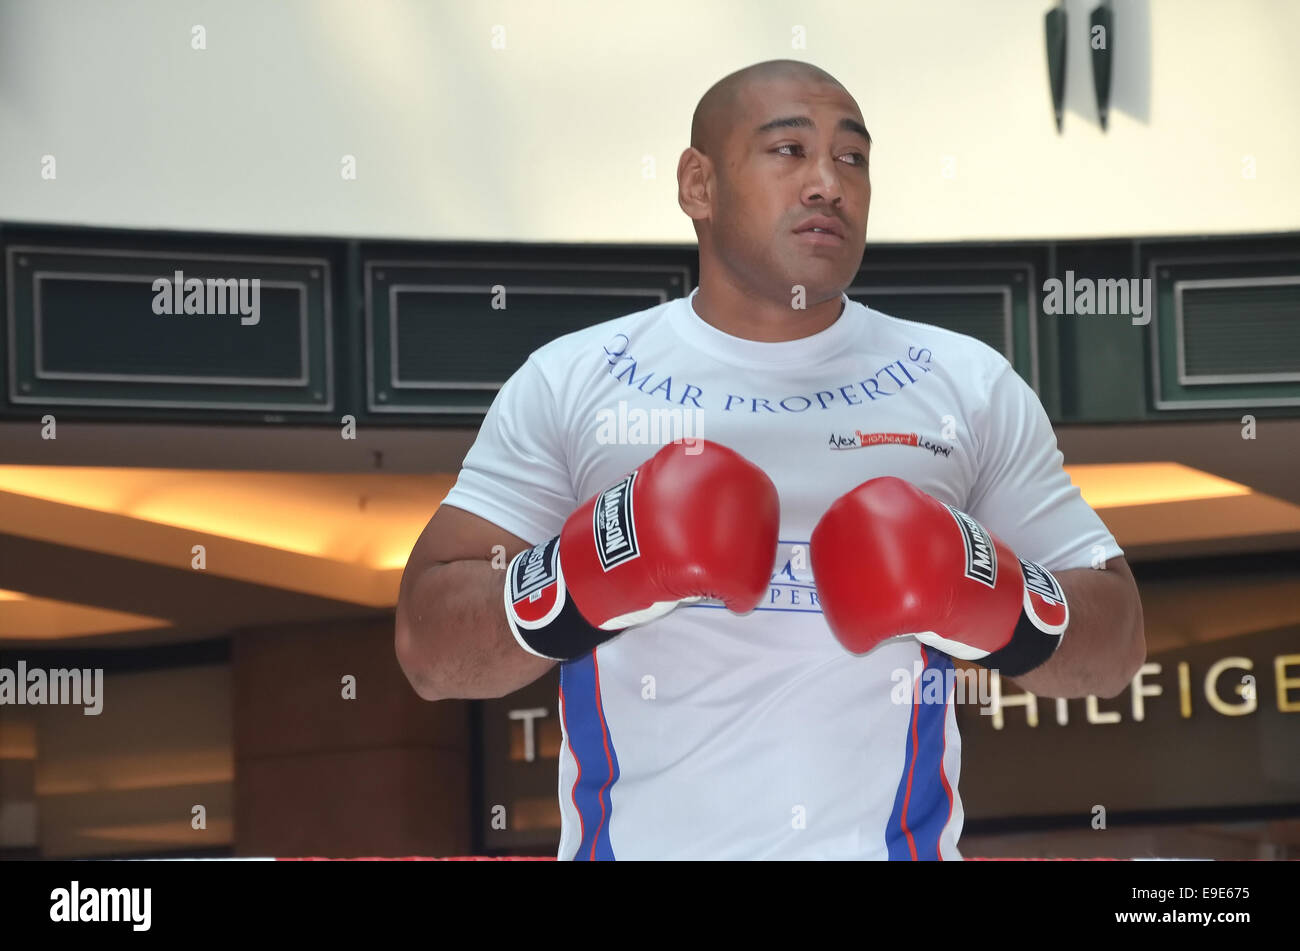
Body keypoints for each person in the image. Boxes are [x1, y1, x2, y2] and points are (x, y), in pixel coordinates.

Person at [395, 59, 1145, 860]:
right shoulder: (576, 380)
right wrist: (591, 570)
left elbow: (1117, 645)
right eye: (789, 150)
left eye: (852, 158)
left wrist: (988, 592)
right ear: (698, 185)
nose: (828, 182)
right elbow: (430, 651)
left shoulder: (965, 385)